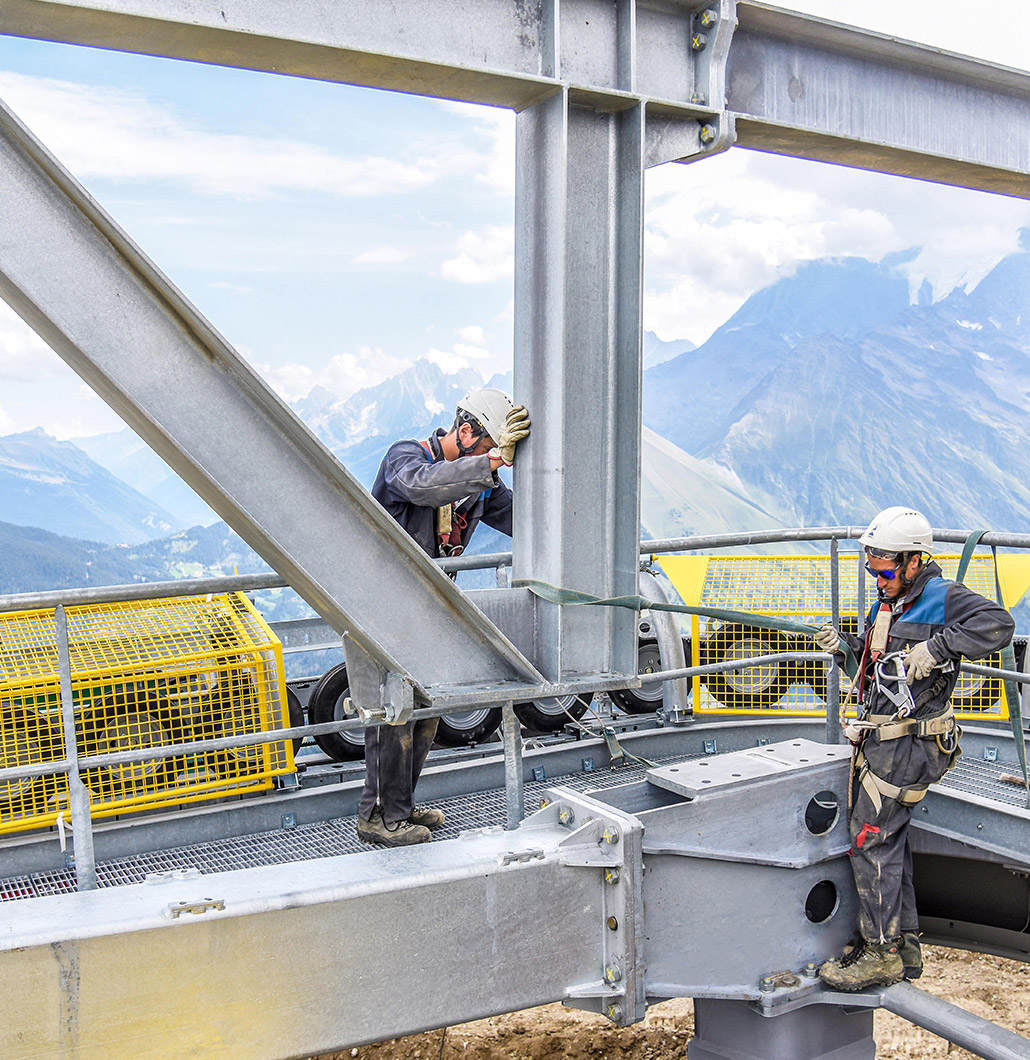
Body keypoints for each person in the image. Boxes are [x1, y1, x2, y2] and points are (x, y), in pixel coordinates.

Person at [815, 506, 1014, 991]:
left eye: (883, 566)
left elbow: (999, 625)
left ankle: (880, 953)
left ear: (911, 561)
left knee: (870, 839)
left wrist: (938, 650)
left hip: (909, 742)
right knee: (887, 837)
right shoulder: (890, 602)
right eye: (871, 567)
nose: (876, 576)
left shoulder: (941, 597)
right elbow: (876, 666)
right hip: (885, 737)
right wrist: (845, 648)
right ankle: (901, 943)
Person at [356, 388, 531, 847]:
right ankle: (378, 817)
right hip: (389, 605)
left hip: (430, 609)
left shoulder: (477, 486)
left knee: (427, 710)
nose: (493, 460)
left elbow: (523, 519)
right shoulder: (405, 458)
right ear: (467, 431)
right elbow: (423, 485)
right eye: (489, 448)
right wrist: (488, 466)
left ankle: (400, 806)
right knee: (393, 710)